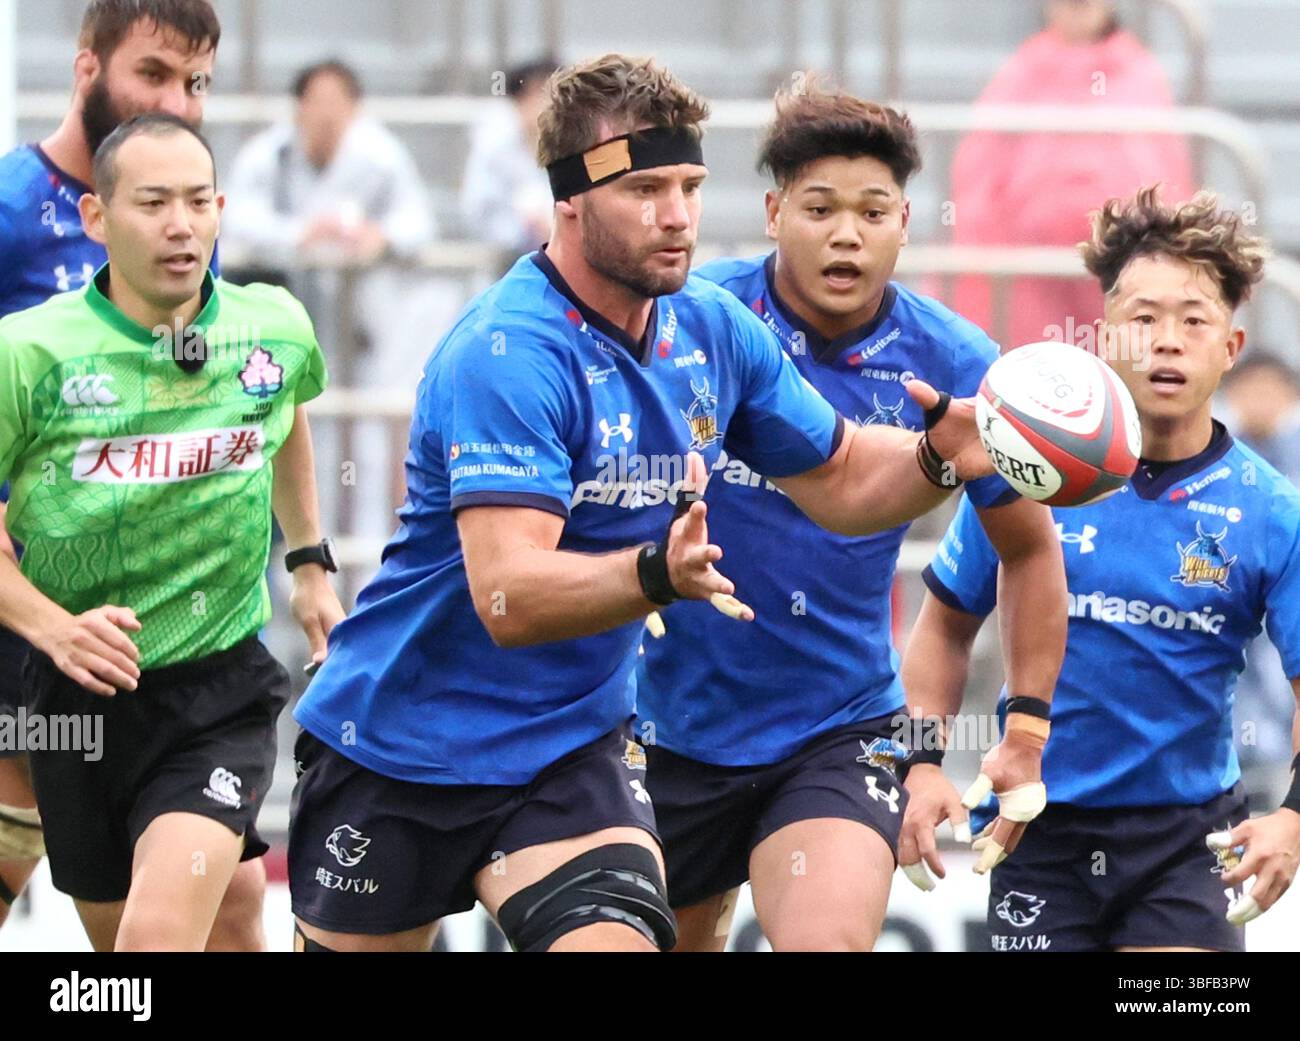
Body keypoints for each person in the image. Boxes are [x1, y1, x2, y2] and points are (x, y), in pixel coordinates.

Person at [286, 54, 995, 954]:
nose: (678, 216)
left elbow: (849, 477)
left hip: (566, 753)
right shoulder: (508, 354)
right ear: (569, 198)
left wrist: (939, 455)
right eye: (646, 188)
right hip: (398, 746)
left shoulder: (711, 329)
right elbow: (506, 597)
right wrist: (657, 573)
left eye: (691, 186)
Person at [632, 86, 1066, 952]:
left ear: (906, 220)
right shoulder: (692, 320)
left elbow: (1028, 550)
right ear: (771, 212)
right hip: (664, 727)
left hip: (836, 732)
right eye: (819, 207)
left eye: (872, 211)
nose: (846, 233)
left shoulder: (958, 366)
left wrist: (1022, 730)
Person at [901, 186, 1300, 952]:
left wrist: (1291, 814)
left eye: (1194, 320)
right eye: (1143, 318)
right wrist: (920, 761)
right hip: (1037, 829)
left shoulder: (1270, 512)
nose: (1167, 341)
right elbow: (946, 625)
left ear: (1232, 346)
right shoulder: (1030, 473)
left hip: (1188, 846)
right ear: (1104, 337)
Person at [0, 113, 343, 951]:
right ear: (96, 218)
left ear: (222, 210)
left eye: (198, 201)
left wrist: (307, 563)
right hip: (74, 699)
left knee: (154, 943)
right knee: (127, 957)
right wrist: (53, 625)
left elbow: (284, 411)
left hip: (218, 691)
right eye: (153, 202)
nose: (181, 224)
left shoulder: (272, 326)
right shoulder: (29, 353)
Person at [222, 58, 443, 540]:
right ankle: (294, 572)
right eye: (316, 101)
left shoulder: (379, 156)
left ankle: (359, 576)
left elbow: (418, 222)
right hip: (287, 334)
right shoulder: (271, 155)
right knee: (296, 447)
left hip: (363, 335)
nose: (326, 114)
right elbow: (236, 218)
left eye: (337, 102)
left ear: (356, 108)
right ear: (298, 107)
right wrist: (302, 233)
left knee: (362, 453)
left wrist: (378, 238)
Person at [948, 0, 1192, 349]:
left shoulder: (1141, 77)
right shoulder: (1018, 75)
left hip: (1120, 268)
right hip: (1027, 278)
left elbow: (1168, 180)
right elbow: (978, 178)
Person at [460, 57, 559, 261]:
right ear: (518, 101)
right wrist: (526, 229)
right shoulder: (494, 149)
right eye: (536, 95)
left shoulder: (583, 143)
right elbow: (479, 210)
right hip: (510, 264)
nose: (545, 105)